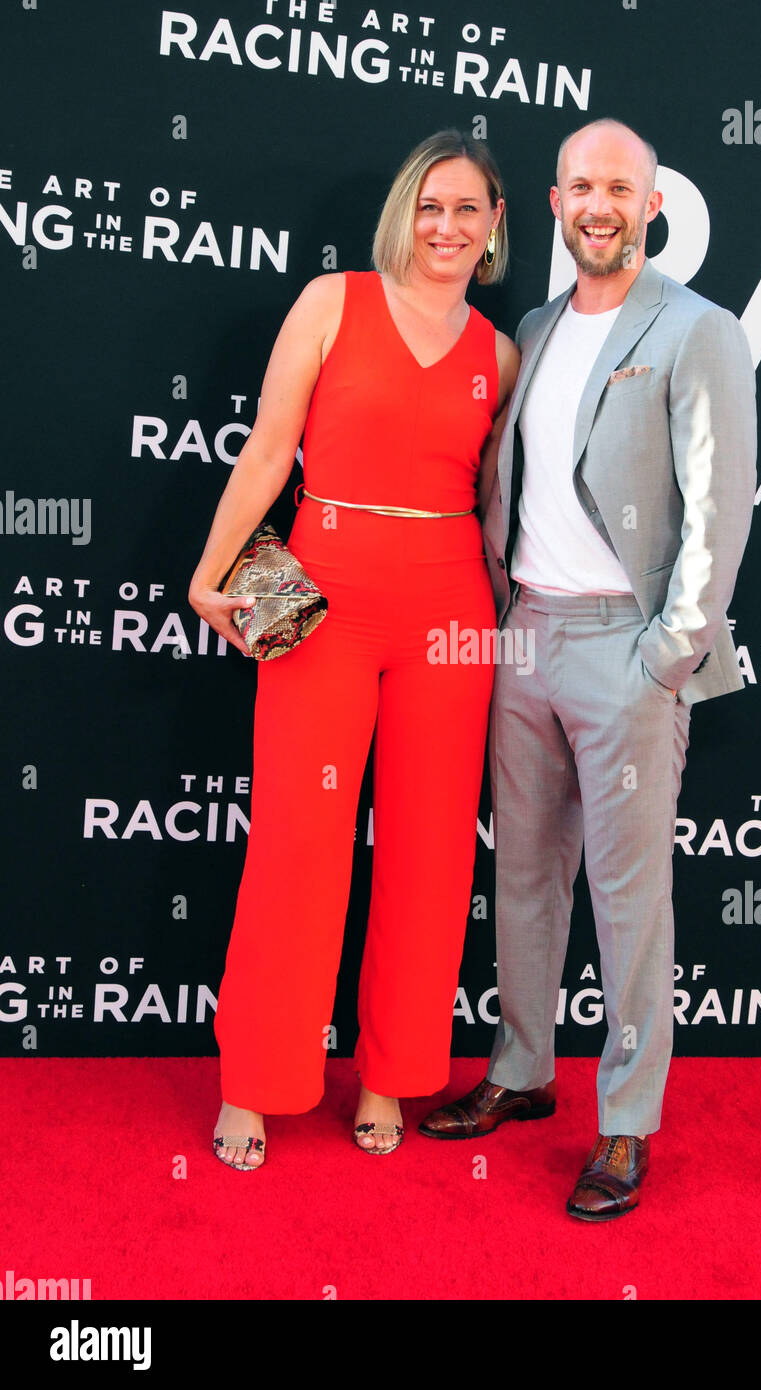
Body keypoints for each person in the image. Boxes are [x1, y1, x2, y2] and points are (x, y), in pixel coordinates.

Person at [419, 119, 757, 1219]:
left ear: (651, 204)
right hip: (524, 638)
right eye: (579, 186)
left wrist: (668, 650)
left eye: (619, 186)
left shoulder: (698, 329)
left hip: (626, 645)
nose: (598, 204)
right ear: (554, 205)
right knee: (521, 876)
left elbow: (718, 506)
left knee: (626, 896)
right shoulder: (534, 321)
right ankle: (521, 1070)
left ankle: (626, 1121)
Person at [189, 130, 519, 1168]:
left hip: (449, 610)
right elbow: (268, 447)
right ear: (402, 212)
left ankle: (391, 1075)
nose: (445, 226)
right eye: (429, 205)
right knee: (297, 840)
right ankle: (256, 1081)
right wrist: (215, 568)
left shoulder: (499, 353)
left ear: (495, 225)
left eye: (467, 209)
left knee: (429, 852)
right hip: (319, 592)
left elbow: (503, 504)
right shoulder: (333, 301)